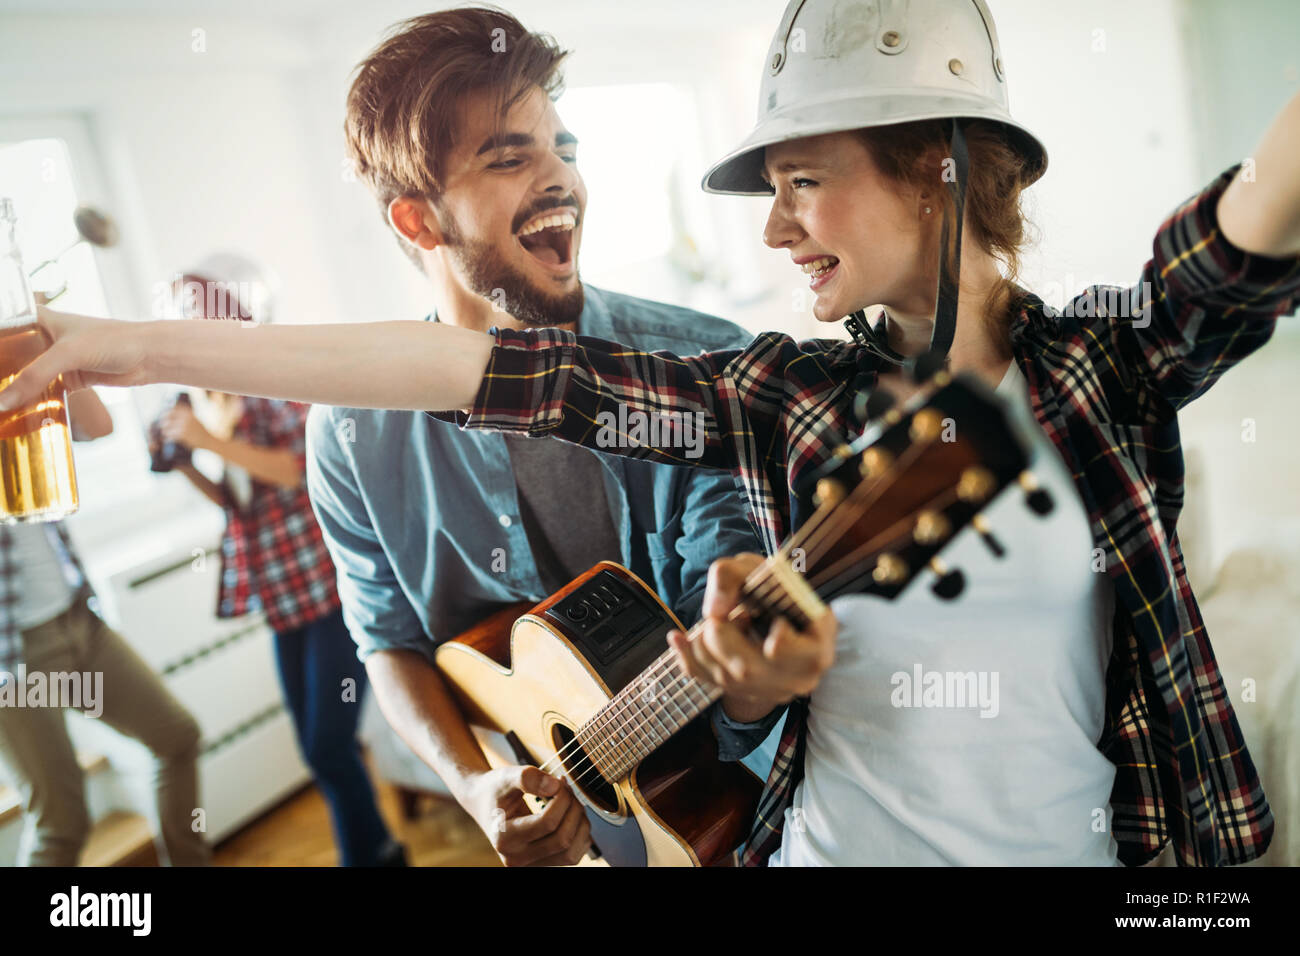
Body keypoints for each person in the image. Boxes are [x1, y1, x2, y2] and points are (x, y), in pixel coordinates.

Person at [6, 0, 1300, 866]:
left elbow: (1254, 224)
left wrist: (744, 690)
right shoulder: (781, 391)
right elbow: (467, 376)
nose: (774, 229)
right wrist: (121, 345)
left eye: (803, 183)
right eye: (771, 190)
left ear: (941, 170)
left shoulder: (1068, 375)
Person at [308, 8, 772, 867]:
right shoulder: (348, 432)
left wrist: (750, 677)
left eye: (564, 148)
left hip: (740, 820)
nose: (562, 179)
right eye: (510, 156)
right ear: (419, 222)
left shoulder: (706, 363)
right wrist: (476, 787)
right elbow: (388, 643)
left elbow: (744, 614)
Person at [150, 254, 402, 867]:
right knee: (316, 747)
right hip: (279, 598)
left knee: (326, 742)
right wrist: (185, 459)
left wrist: (207, 441)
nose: (186, 323)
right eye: (177, 314)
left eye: (195, 310)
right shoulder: (204, 399)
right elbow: (236, 500)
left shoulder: (268, 381)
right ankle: (379, 854)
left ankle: (369, 857)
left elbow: (294, 471)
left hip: (328, 590)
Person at [0, 386, 209, 866]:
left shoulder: (19, 376)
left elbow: (97, 424)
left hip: (78, 622)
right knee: (62, 824)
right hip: (13, 659)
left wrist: (50, 349)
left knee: (177, 737)